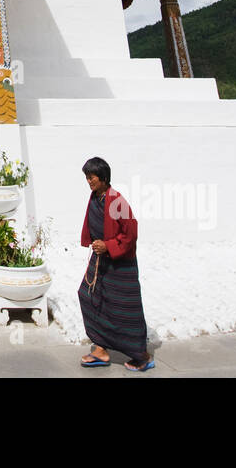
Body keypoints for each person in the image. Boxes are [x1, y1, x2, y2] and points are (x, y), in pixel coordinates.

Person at [78, 157, 154, 372]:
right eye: (87, 177)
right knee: (90, 297)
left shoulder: (117, 201)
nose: (88, 181)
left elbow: (130, 234)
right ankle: (100, 349)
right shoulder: (96, 197)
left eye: (91, 176)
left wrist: (109, 245)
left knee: (125, 310)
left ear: (103, 177)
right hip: (101, 260)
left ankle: (142, 355)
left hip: (121, 264)